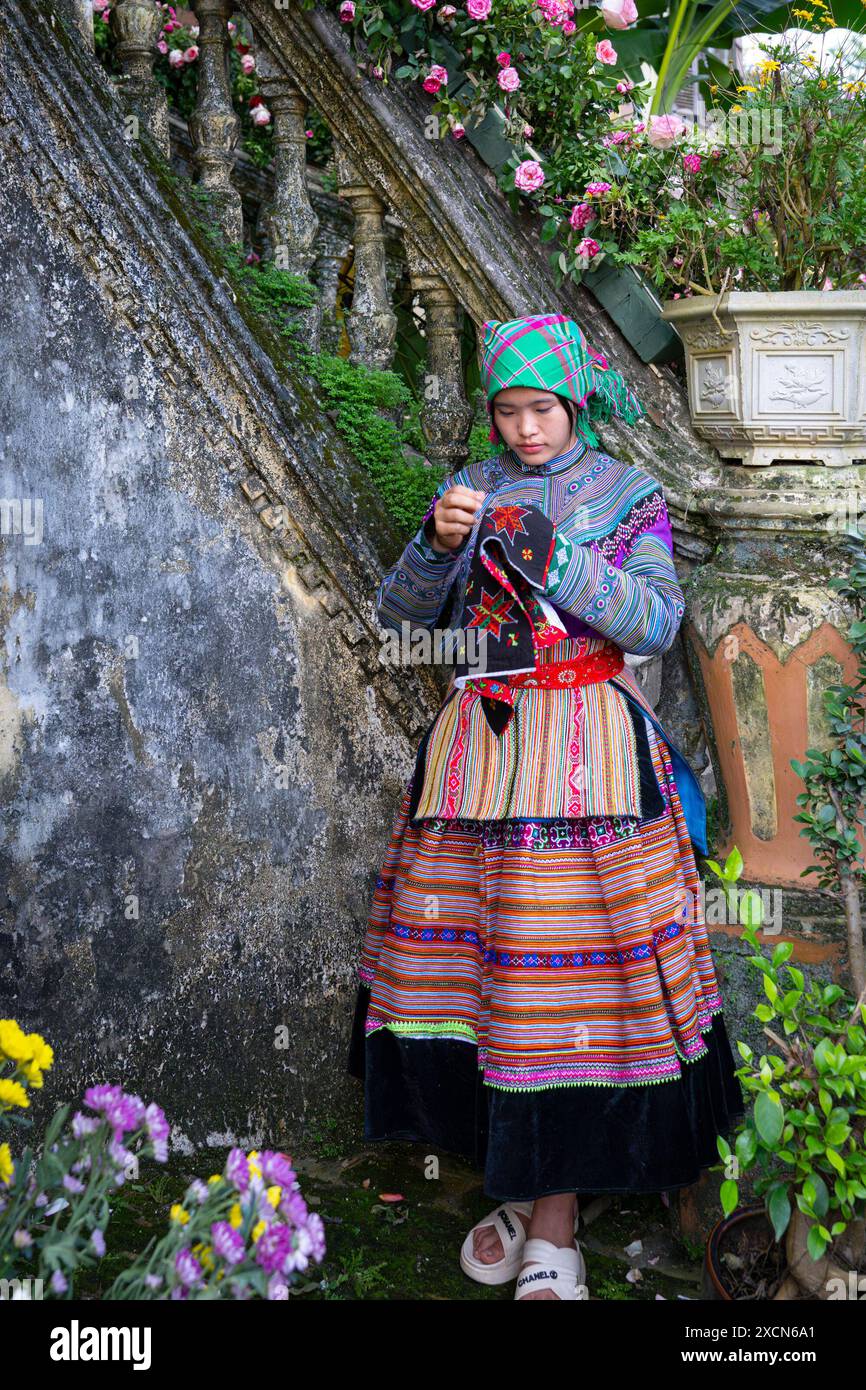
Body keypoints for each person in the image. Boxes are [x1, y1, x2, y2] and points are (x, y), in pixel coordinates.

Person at [346, 313, 745, 1301]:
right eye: (508, 411)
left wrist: (557, 555)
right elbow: (402, 614)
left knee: (563, 975)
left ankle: (556, 1222)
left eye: (541, 409)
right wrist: (436, 544)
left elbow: (652, 619)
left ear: (573, 403)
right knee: (484, 968)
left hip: (588, 756)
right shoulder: (469, 488)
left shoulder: (628, 494)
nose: (525, 430)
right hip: (477, 751)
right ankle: (523, 1186)